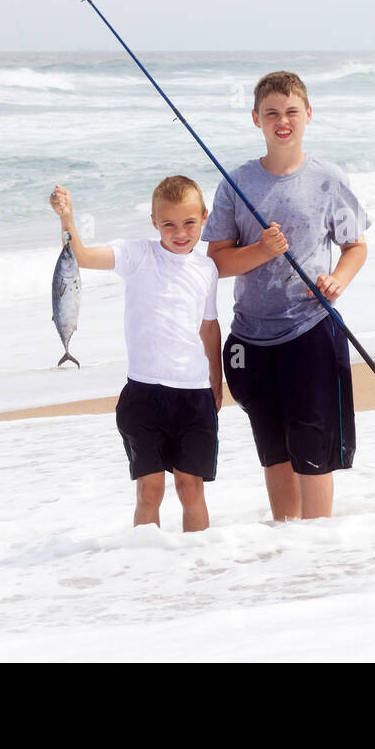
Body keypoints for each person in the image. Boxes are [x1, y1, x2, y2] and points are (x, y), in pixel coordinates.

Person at [204, 71, 370, 521]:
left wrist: (338, 279)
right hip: (251, 339)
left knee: (312, 447)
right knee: (273, 450)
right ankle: (287, 548)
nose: (283, 121)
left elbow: (355, 246)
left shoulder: (328, 178)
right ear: (255, 118)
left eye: (292, 112)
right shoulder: (234, 183)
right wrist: (260, 251)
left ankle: (317, 548)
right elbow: (216, 262)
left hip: (310, 330)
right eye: (272, 113)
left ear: (308, 115)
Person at [49, 176, 222, 532]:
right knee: (149, 492)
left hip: (194, 396)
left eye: (189, 222)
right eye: (169, 224)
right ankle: (147, 572)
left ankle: (199, 571)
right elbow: (80, 256)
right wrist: (66, 217)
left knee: (191, 490)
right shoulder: (137, 255)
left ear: (204, 217)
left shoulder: (207, 269)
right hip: (144, 395)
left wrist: (216, 383)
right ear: (154, 222)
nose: (180, 232)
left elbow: (209, 328)